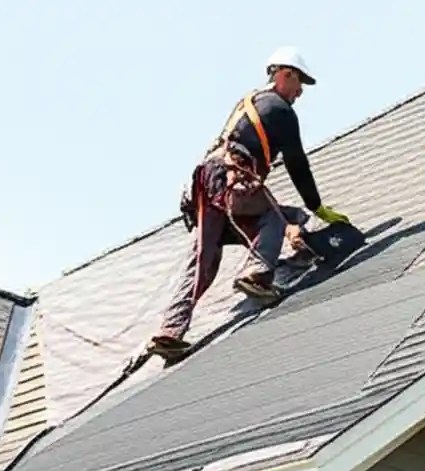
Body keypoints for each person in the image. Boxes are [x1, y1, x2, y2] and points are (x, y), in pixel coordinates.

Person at [147, 46, 350, 360]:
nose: (300, 93)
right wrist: (316, 206)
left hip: (206, 184)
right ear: (285, 74)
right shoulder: (280, 110)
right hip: (233, 180)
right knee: (278, 217)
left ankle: (169, 332)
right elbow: (297, 163)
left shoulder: (249, 103)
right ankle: (256, 275)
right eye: (299, 84)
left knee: (204, 260)